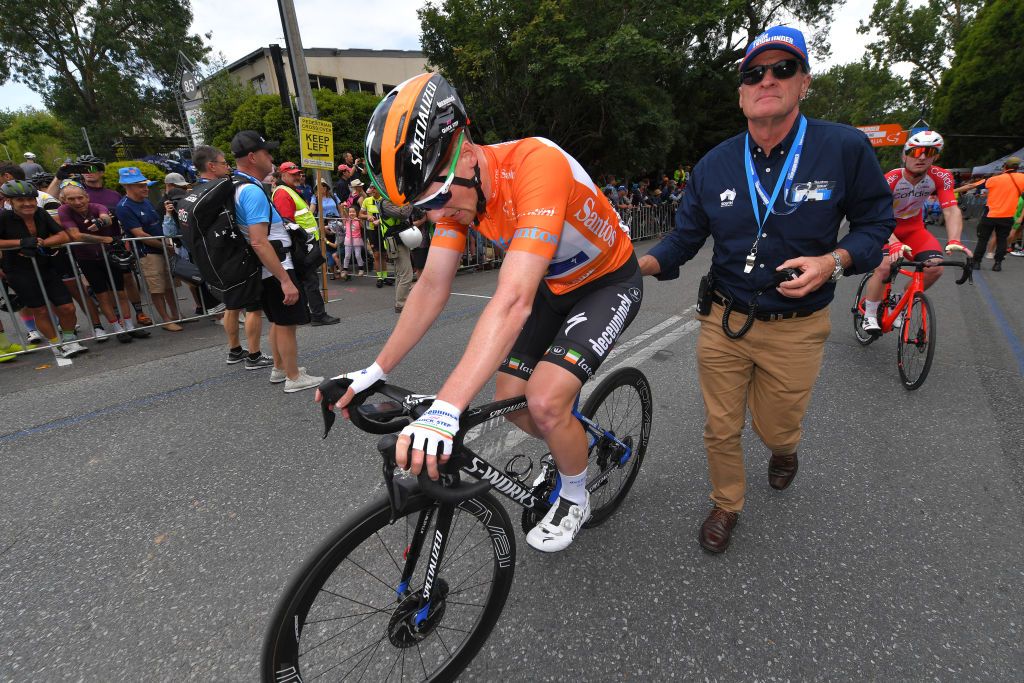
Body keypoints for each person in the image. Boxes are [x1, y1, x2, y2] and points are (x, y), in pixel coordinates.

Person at [321, 72, 641, 552]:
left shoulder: (537, 165)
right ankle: (572, 438)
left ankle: (576, 495)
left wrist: (446, 409)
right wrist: (375, 370)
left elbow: (512, 300)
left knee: (547, 402)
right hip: (556, 286)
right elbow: (431, 285)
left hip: (607, 283)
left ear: (466, 154)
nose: (433, 215)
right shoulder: (458, 196)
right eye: (419, 206)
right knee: (514, 401)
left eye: (433, 197)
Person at [638, 26, 894, 554]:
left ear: (804, 82)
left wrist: (834, 260)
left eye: (783, 69)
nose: (767, 80)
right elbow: (684, 238)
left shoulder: (842, 147)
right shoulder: (714, 165)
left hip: (797, 327)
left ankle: (785, 449)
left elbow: (875, 223)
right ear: (741, 93)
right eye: (754, 73)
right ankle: (727, 502)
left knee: (775, 428)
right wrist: (631, 265)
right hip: (724, 319)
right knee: (720, 425)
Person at [230, 130, 322, 392]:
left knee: (279, 321)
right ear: (252, 157)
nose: (270, 157)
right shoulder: (252, 192)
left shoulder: (238, 185)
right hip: (276, 266)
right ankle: (293, 377)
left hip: (266, 267)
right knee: (287, 323)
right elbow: (259, 240)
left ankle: (281, 368)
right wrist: (284, 279)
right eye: (265, 152)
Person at [860, 131, 969, 334]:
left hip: (914, 230)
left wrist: (955, 239)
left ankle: (900, 302)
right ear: (905, 155)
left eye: (928, 152)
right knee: (885, 266)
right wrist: (893, 242)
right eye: (916, 151)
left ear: (935, 156)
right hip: (885, 227)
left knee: (934, 268)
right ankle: (870, 314)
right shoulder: (891, 178)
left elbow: (951, 208)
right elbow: (876, 216)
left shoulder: (941, 176)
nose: (921, 157)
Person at [192, 144, 272, 369]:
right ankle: (255, 355)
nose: (227, 168)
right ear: (211, 166)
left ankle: (235, 349)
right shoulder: (219, 191)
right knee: (253, 307)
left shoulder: (195, 192)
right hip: (235, 257)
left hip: (214, 260)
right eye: (223, 163)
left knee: (231, 305)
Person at [0, 180, 88, 358]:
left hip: (45, 266)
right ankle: (56, 344)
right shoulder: (3, 218)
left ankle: (70, 340)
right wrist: (21, 243)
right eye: (20, 200)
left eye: (31, 199)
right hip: (19, 271)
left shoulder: (40, 213)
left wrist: (43, 242)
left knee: (67, 307)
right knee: (39, 310)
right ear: (10, 202)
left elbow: (63, 234)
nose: (27, 203)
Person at [73, 155, 152, 332]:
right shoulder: (78, 194)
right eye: (84, 170)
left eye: (93, 169)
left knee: (127, 279)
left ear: (101, 172)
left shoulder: (113, 194)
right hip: (90, 248)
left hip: (115, 243)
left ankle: (139, 312)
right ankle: (117, 319)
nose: (88, 173)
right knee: (105, 287)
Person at [56, 181, 134, 343]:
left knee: (120, 292)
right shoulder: (63, 210)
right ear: (64, 200)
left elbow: (106, 218)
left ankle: (130, 325)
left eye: (80, 198)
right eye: (71, 199)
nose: (77, 202)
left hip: (108, 256)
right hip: (87, 259)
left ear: (87, 197)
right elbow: (76, 236)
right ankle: (117, 328)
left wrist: (101, 222)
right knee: (102, 295)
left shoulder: (96, 206)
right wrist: (105, 238)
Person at [271, 161, 340, 326]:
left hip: (305, 243)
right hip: (301, 245)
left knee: (308, 280)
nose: (298, 176)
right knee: (310, 280)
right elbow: (287, 223)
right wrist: (302, 243)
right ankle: (317, 314)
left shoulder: (290, 190)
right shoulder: (283, 193)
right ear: (283, 174)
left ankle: (311, 313)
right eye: (293, 174)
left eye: (298, 173)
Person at [114, 167, 182, 331]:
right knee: (157, 288)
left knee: (169, 285)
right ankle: (165, 320)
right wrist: (164, 246)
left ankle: (176, 315)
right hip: (148, 253)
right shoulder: (124, 207)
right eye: (140, 185)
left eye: (145, 184)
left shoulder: (146, 201)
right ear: (127, 187)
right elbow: (139, 234)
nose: (145, 188)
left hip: (163, 248)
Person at [956, 156, 1024, 272]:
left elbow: (971, 186)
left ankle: (977, 262)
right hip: (1007, 216)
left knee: (983, 239)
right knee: (1002, 240)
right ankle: (997, 264)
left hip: (990, 215)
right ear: (1017, 167)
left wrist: (951, 191)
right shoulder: (1022, 178)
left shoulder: (994, 179)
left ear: (1005, 167)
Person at [338, 205, 365, 280]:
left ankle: (361, 269)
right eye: (350, 212)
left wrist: (359, 220)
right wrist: (343, 207)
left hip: (357, 239)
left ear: (356, 212)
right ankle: (345, 270)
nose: (351, 213)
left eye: (353, 212)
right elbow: (343, 213)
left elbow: (363, 226)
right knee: (347, 256)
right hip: (348, 239)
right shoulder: (347, 219)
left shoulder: (358, 220)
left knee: (358, 255)